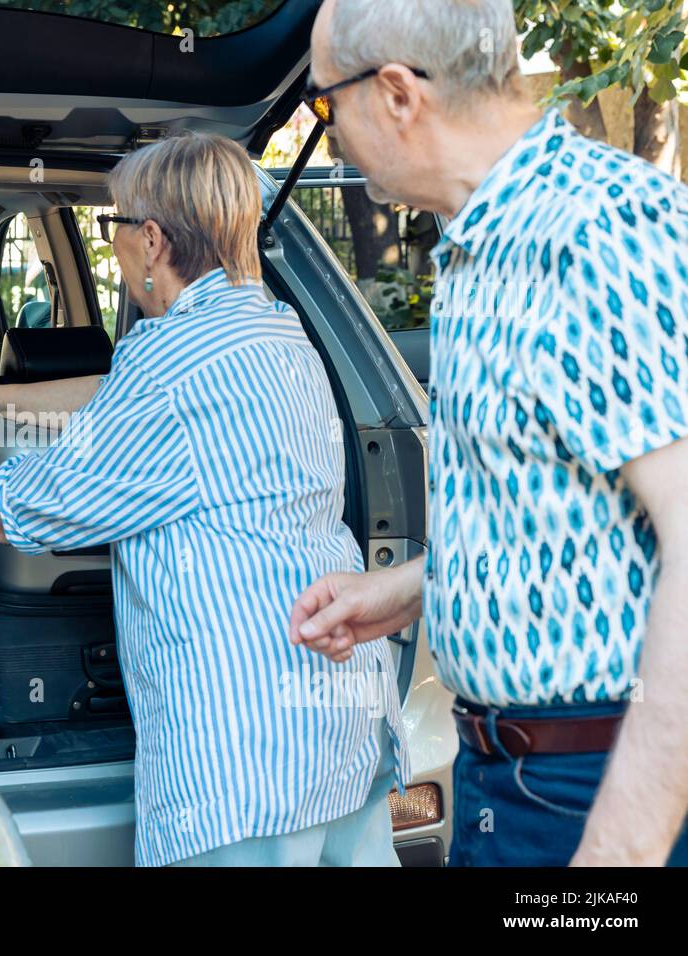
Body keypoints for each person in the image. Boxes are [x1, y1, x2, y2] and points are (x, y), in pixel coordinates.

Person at [0, 132, 410, 867]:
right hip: (341, 711)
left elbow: (46, 500)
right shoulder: (272, 325)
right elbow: (133, 399)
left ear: (151, 240)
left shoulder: (173, 364)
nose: (116, 241)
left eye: (115, 224)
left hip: (245, 752)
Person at [290, 0, 688, 866]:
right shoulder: (478, 248)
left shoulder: (598, 237)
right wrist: (400, 592)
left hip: (597, 790)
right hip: (504, 782)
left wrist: (615, 860)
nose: (329, 134)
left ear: (397, 93)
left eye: (325, 106)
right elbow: (562, 512)